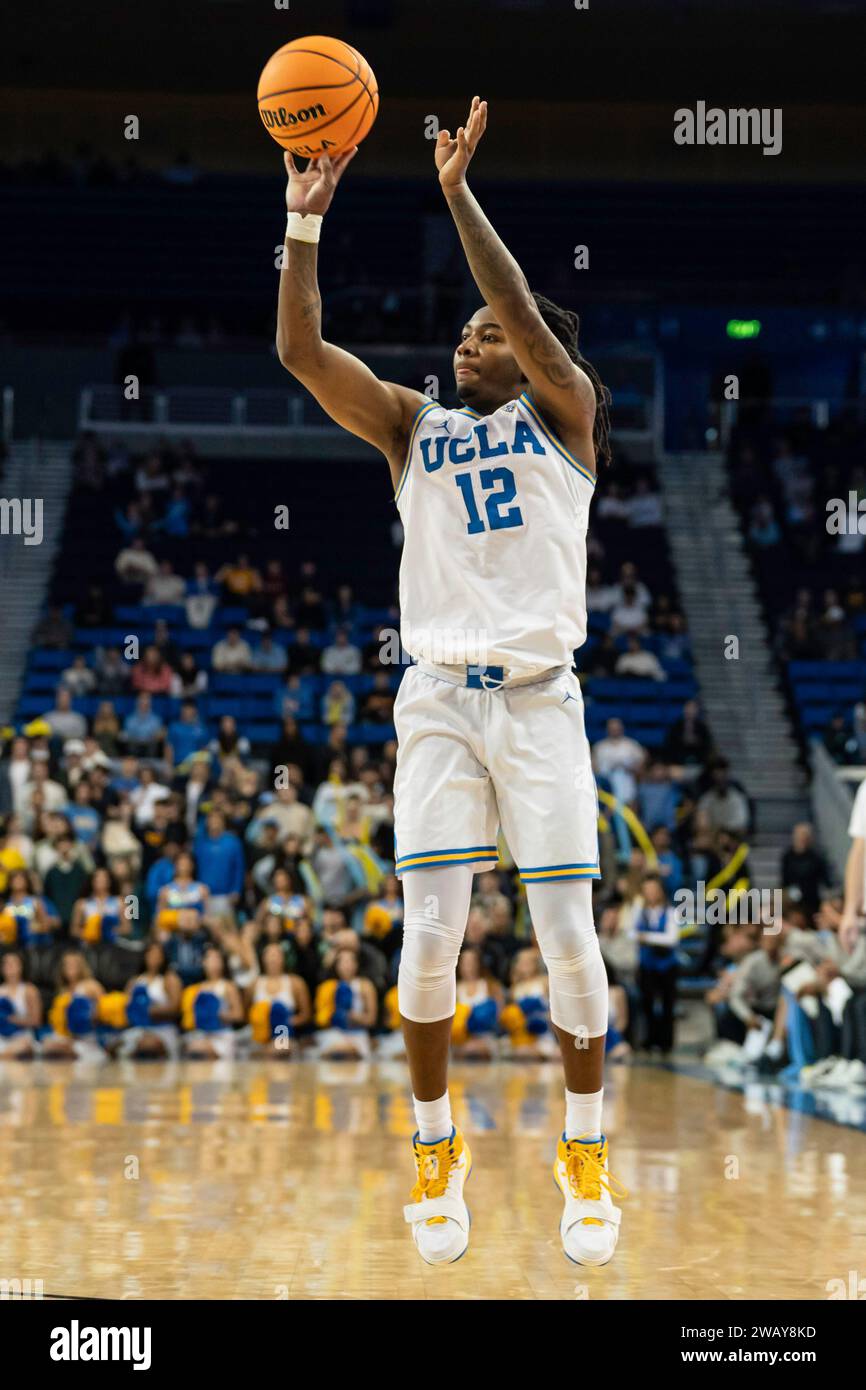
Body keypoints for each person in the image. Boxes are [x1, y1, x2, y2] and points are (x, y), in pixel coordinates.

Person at [275, 94, 622, 1268]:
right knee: (427, 941)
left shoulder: (565, 415)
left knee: (565, 935)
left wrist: (456, 193)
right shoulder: (410, 426)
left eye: (485, 336)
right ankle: (435, 1146)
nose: (466, 343)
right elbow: (300, 353)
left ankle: (583, 1150)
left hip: (537, 699)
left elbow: (519, 307)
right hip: (435, 701)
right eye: (463, 334)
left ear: (527, 356)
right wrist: (303, 224)